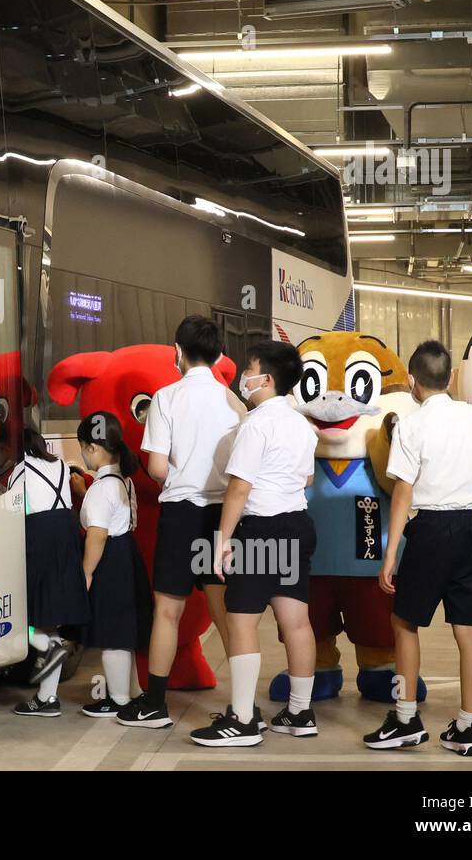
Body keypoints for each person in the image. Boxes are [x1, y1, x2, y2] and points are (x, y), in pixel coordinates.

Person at [365, 340, 472, 756]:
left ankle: (406, 718)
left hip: (431, 529)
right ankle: (467, 727)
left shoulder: (411, 426)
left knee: (404, 623)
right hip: (471, 528)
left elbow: (403, 494)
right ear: (450, 379)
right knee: (467, 629)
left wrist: (390, 554)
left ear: (412, 381)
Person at [190, 340, 318, 747]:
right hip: (298, 524)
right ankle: (300, 712)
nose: (245, 375)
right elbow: (308, 479)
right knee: (296, 622)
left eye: (249, 368)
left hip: (261, 529)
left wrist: (222, 540)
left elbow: (239, 488)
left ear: (266, 378)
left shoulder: (256, 424)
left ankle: (243, 720)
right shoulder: (302, 423)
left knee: (241, 620)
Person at [119, 315, 240, 730]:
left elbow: (154, 466)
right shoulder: (234, 402)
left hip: (181, 513)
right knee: (225, 611)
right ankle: (243, 706)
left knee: (167, 611)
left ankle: (154, 703)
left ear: (178, 352)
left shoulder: (166, 398)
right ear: (219, 354)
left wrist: (181, 478)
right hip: (223, 515)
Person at [76, 411, 152, 717]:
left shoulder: (101, 488)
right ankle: (131, 693)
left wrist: (86, 572)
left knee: (111, 633)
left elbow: (97, 536)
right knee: (124, 632)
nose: (83, 453)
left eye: (83, 447)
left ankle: (117, 700)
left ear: (93, 448)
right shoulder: (123, 480)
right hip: (127, 556)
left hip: (109, 561)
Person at [11, 424, 91, 717]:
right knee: (49, 619)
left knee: (22, 616)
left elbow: (11, 511)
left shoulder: (19, 471)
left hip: (38, 538)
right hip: (65, 535)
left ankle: (46, 650)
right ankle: (48, 697)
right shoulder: (58, 464)